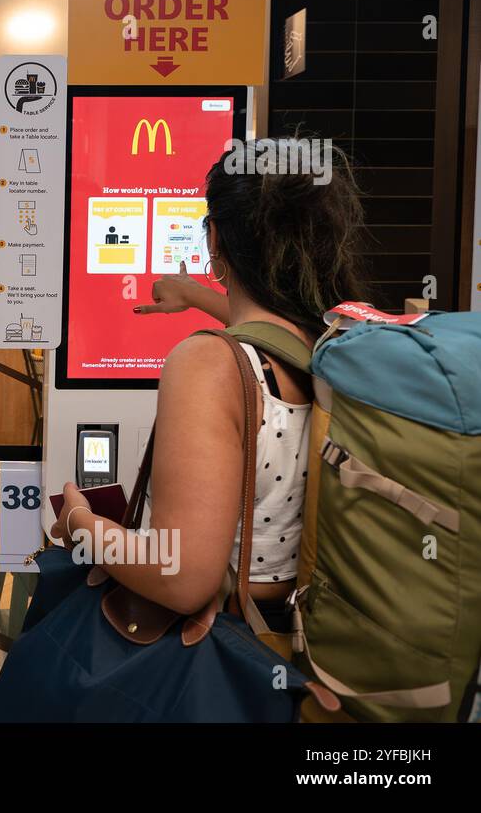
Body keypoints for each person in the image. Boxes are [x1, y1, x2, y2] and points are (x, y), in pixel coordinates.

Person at [52, 143, 368, 633]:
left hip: (219, 639)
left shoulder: (207, 365)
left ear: (214, 237)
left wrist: (82, 525)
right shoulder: (328, 345)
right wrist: (197, 295)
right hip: (294, 634)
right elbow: (267, 328)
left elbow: (182, 577)